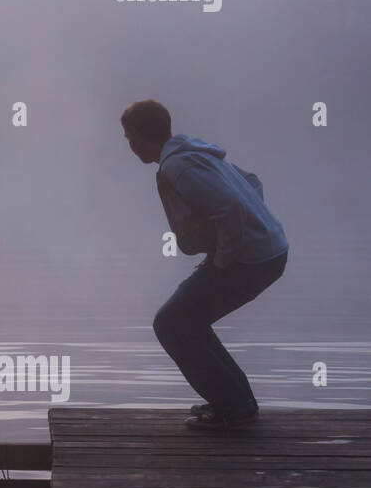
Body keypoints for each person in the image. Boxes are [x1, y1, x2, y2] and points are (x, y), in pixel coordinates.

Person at [121, 100, 289, 430]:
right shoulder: (193, 154)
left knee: (170, 322)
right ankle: (237, 402)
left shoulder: (179, 166)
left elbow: (230, 209)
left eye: (128, 137)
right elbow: (252, 182)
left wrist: (224, 256)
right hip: (267, 252)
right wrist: (248, 233)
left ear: (142, 137)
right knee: (188, 319)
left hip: (251, 259)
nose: (128, 145)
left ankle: (234, 408)